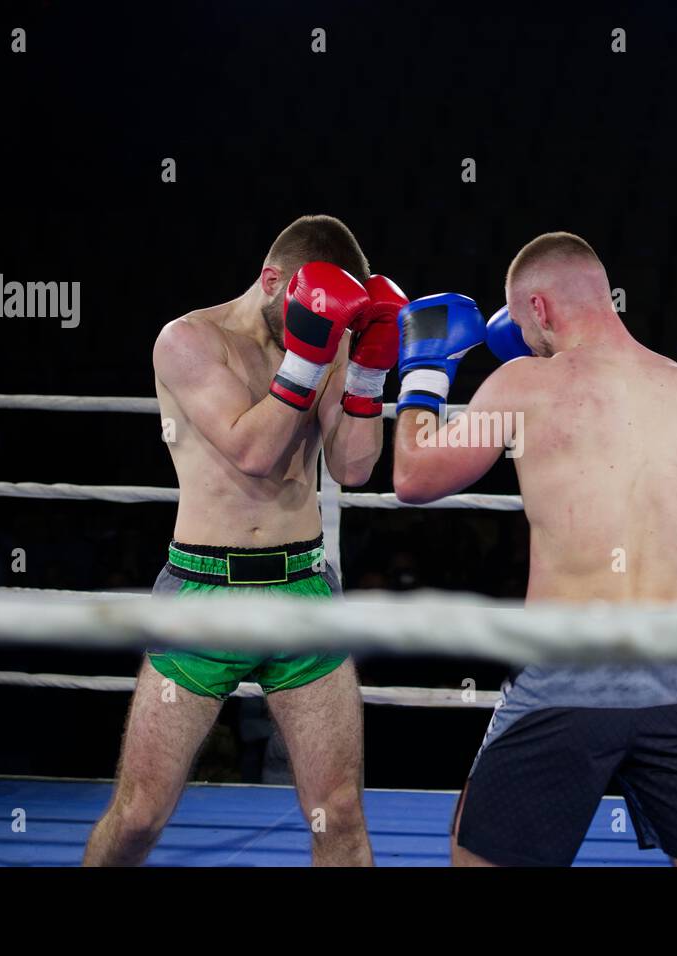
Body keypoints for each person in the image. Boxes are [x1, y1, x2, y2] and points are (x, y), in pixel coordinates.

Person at [392, 232, 677, 867]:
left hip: (570, 674)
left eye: (527, 326)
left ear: (538, 308)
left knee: (469, 853)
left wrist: (425, 371)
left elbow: (412, 476)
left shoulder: (526, 383)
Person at [84, 215, 404, 865]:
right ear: (271, 279)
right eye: (315, 315)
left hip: (302, 587)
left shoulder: (333, 338)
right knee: (140, 815)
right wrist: (309, 357)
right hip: (203, 588)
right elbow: (253, 451)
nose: (326, 333)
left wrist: (367, 367)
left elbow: (353, 468)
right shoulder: (189, 342)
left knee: (338, 814)